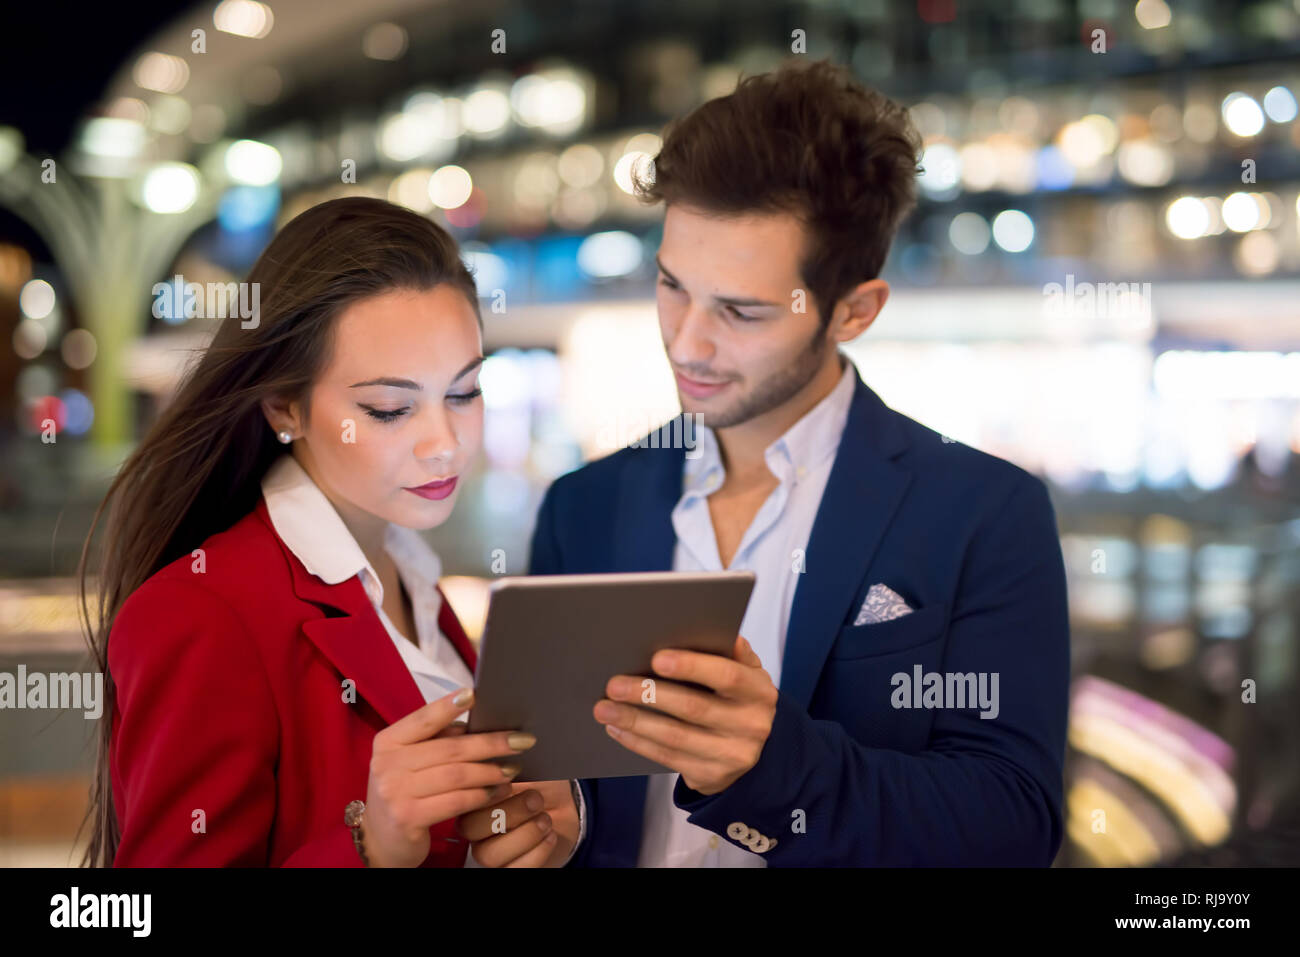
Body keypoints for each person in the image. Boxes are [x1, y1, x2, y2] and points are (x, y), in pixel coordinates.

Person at [530, 59, 1071, 866]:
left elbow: (1012, 820)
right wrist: (540, 825)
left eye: (740, 311)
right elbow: (557, 779)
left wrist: (774, 764)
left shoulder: (984, 513)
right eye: (673, 286)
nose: (687, 343)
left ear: (855, 309)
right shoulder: (582, 505)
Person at [78, 197, 581, 867]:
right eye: (389, 408)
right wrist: (368, 850)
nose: (444, 445)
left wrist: (537, 834)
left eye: (464, 393)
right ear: (286, 405)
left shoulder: (411, 574)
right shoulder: (199, 612)